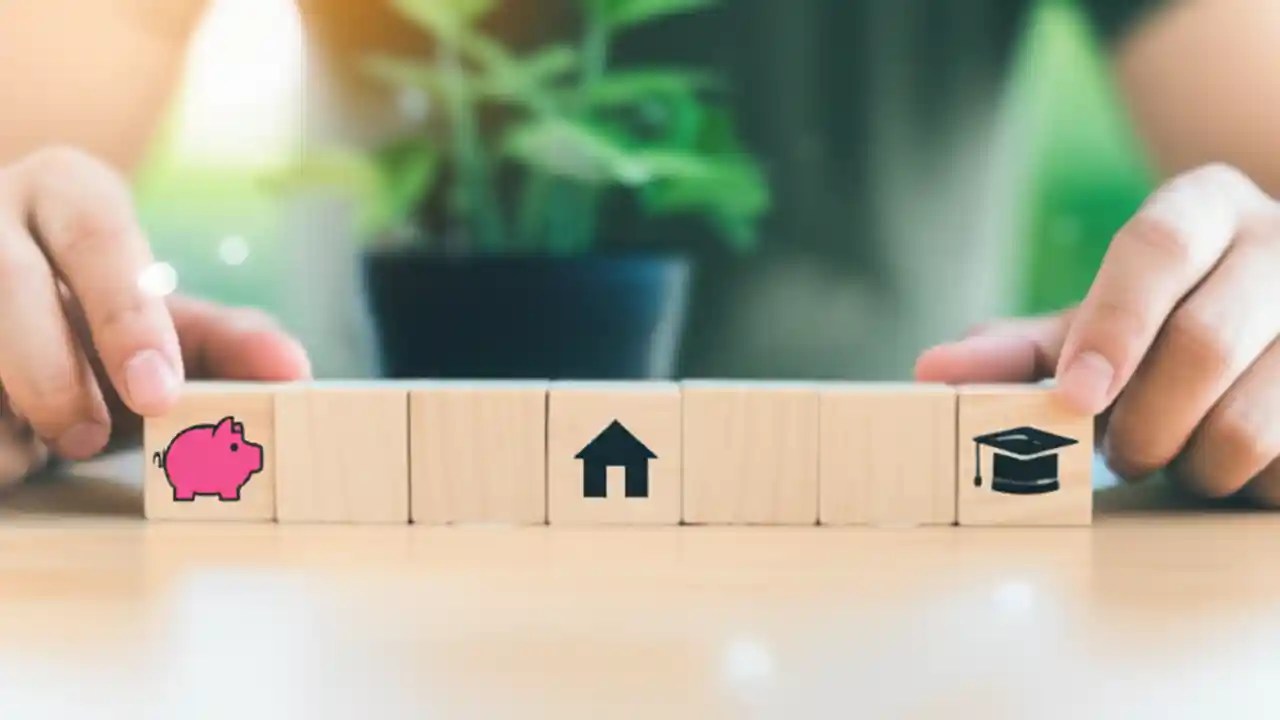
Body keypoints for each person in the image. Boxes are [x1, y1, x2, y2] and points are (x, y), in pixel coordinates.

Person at [0, 0, 1275, 508]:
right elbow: (25, 167)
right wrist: (29, 306)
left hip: (906, 544)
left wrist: (1241, 310)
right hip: (362, 529)